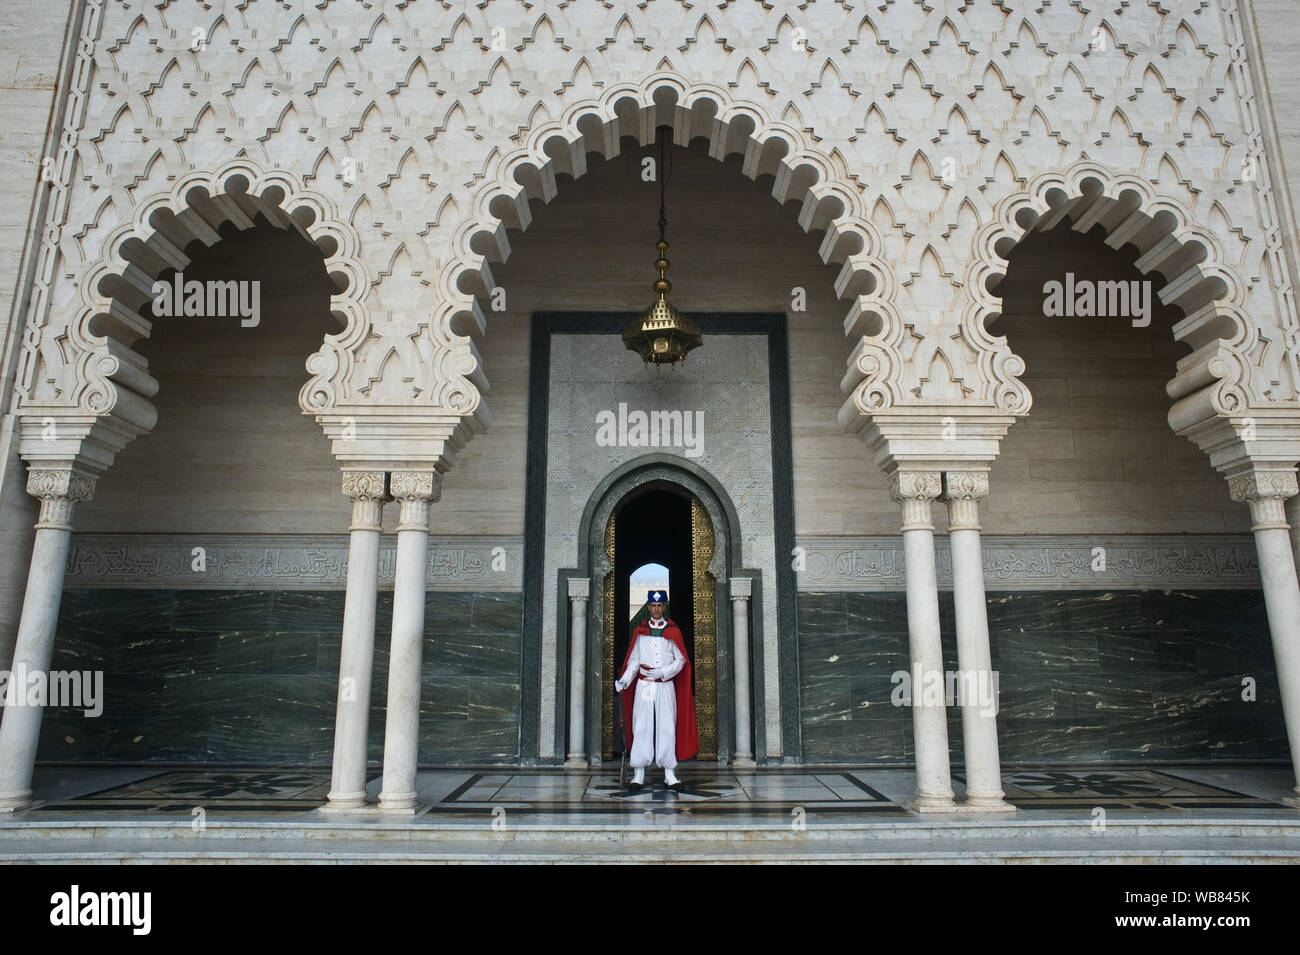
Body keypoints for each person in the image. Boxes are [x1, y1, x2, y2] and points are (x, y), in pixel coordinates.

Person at [614, 590, 699, 791]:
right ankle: (638, 774)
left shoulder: (673, 631)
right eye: (653, 605)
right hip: (644, 686)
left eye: (660, 606)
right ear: (648, 606)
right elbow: (634, 662)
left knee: (666, 727)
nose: (656, 609)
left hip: (665, 685)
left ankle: (670, 774)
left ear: (664, 606)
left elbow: (680, 661)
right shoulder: (640, 631)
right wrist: (624, 681)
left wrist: (663, 672)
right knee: (641, 726)